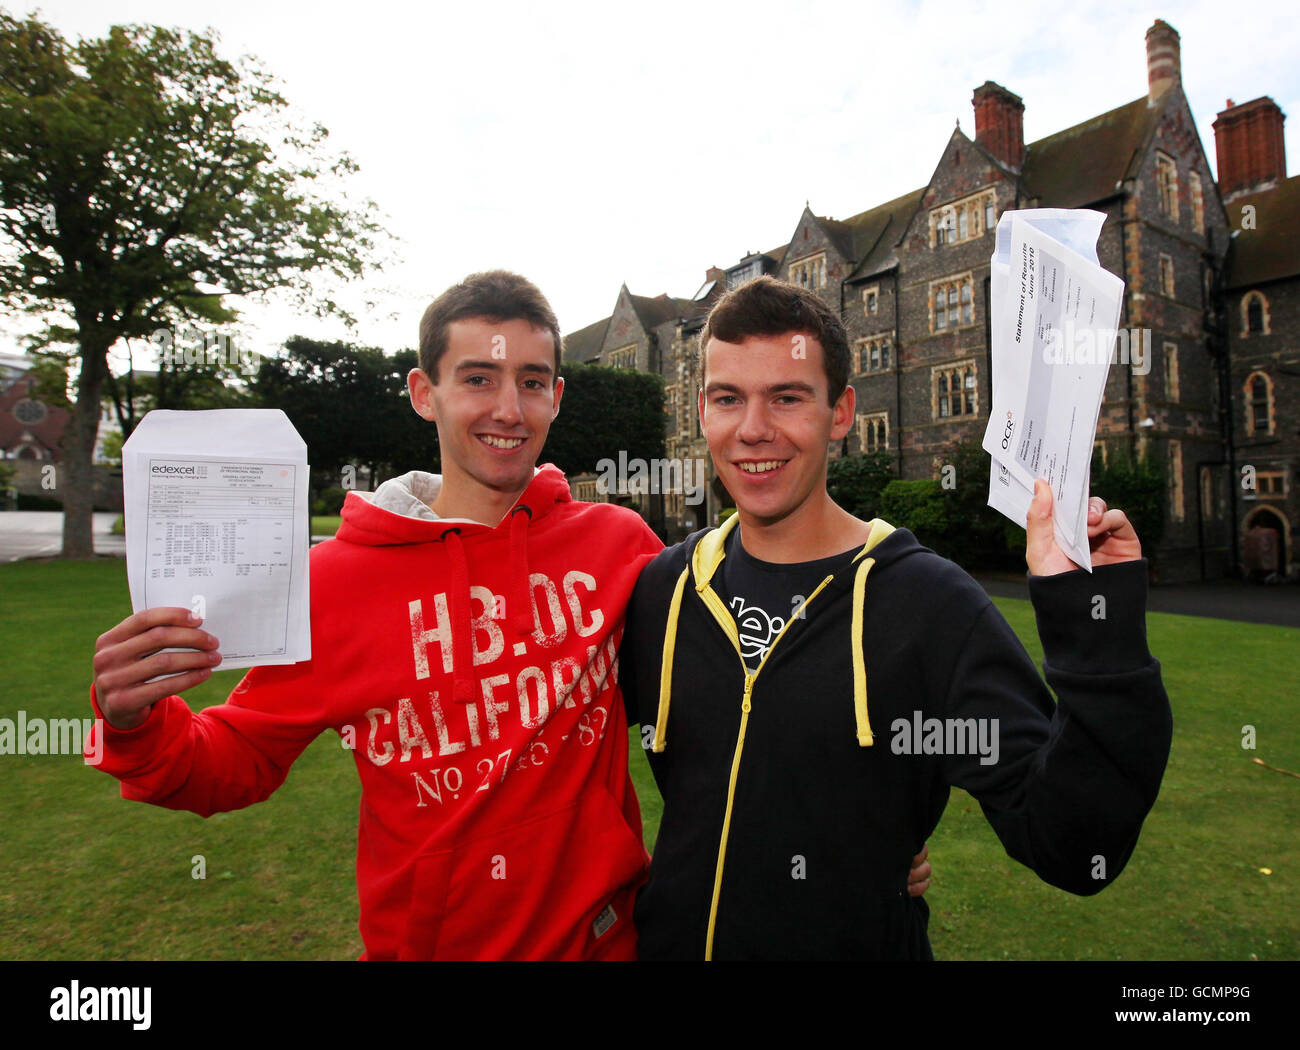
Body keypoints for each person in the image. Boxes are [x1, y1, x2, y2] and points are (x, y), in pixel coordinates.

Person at [86, 270, 664, 960]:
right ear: (426, 394)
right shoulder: (334, 582)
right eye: (478, 379)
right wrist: (135, 723)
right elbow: (235, 760)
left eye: (532, 382)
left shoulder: (618, 545)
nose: (509, 409)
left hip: (609, 945)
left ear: (556, 396)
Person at [619, 275, 1173, 960]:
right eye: (729, 398)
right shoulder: (662, 592)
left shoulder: (929, 606)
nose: (752, 429)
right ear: (703, 410)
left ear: (841, 411)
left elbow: (1074, 840)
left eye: (787, 398)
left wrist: (1098, 626)